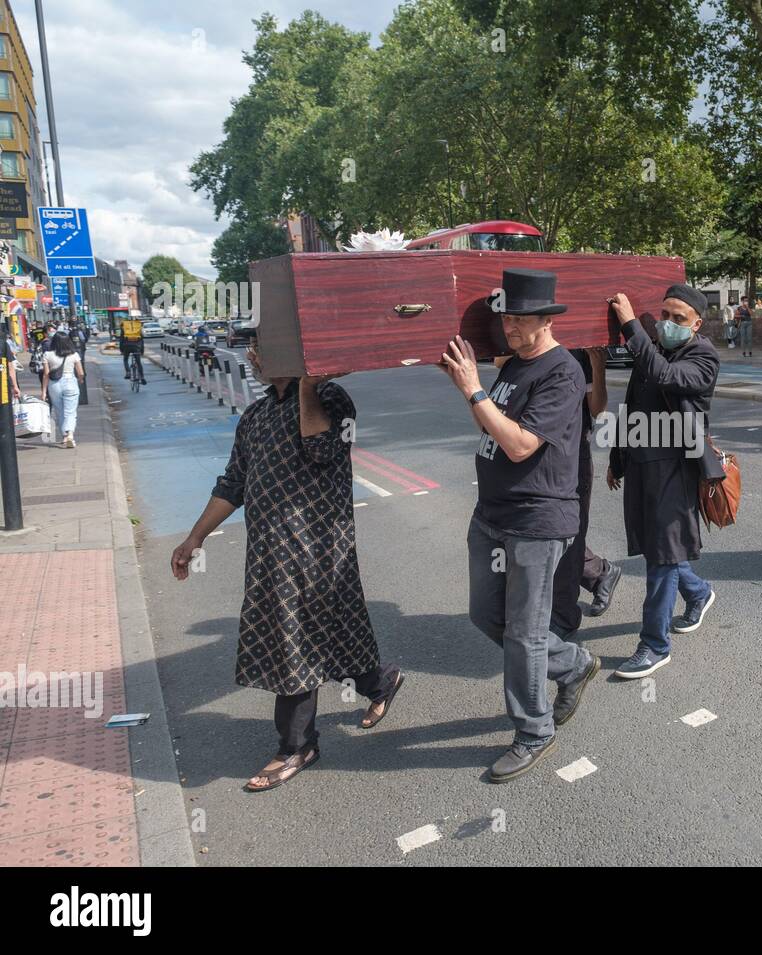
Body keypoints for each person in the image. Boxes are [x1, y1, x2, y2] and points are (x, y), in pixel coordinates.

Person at [170, 336, 402, 792]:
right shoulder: (255, 416)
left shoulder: (332, 399)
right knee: (333, 632)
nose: (254, 355)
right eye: (253, 348)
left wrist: (307, 386)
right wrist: (195, 537)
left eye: (264, 347)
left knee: (293, 641)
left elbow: (322, 450)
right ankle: (381, 682)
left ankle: (297, 745)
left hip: (319, 550)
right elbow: (233, 482)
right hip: (270, 552)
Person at [441, 268, 599, 783]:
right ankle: (573, 664)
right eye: (503, 316)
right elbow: (488, 421)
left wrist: (473, 390)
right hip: (492, 515)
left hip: (537, 519)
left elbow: (521, 444)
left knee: (526, 635)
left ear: (545, 319)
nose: (507, 325)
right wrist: (473, 393)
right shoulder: (512, 367)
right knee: (486, 615)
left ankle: (535, 730)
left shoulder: (563, 371)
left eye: (517, 317)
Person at [606, 284, 720, 680]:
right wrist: (616, 459)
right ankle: (699, 592)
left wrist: (630, 325)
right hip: (641, 460)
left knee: (664, 553)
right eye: (665, 315)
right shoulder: (651, 348)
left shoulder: (702, 355)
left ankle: (654, 645)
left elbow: (666, 376)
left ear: (697, 323)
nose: (668, 324)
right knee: (661, 548)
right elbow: (633, 406)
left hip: (675, 465)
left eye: (679, 319)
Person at [552, 345, 623, 630]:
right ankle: (599, 573)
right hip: (531, 451)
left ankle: (563, 618)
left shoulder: (580, 352)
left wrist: (598, 364)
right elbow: (498, 360)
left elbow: (597, 408)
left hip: (571, 454)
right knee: (550, 533)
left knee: (568, 533)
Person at [40, 332, 85, 448]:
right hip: (70, 382)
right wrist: (80, 380)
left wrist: (44, 391)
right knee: (70, 411)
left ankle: (65, 437)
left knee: (59, 411)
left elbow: (46, 374)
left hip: (54, 385)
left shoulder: (47, 355)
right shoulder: (74, 354)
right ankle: (70, 434)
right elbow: (81, 372)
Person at [119, 315, 146, 384]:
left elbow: (121, 340)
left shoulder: (124, 328)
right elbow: (142, 340)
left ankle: (128, 372)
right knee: (138, 362)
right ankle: (142, 377)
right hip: (136, 346)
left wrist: (121, 350)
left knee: (125, 359)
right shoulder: (138, 327)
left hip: (126, 346)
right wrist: (142, 351)